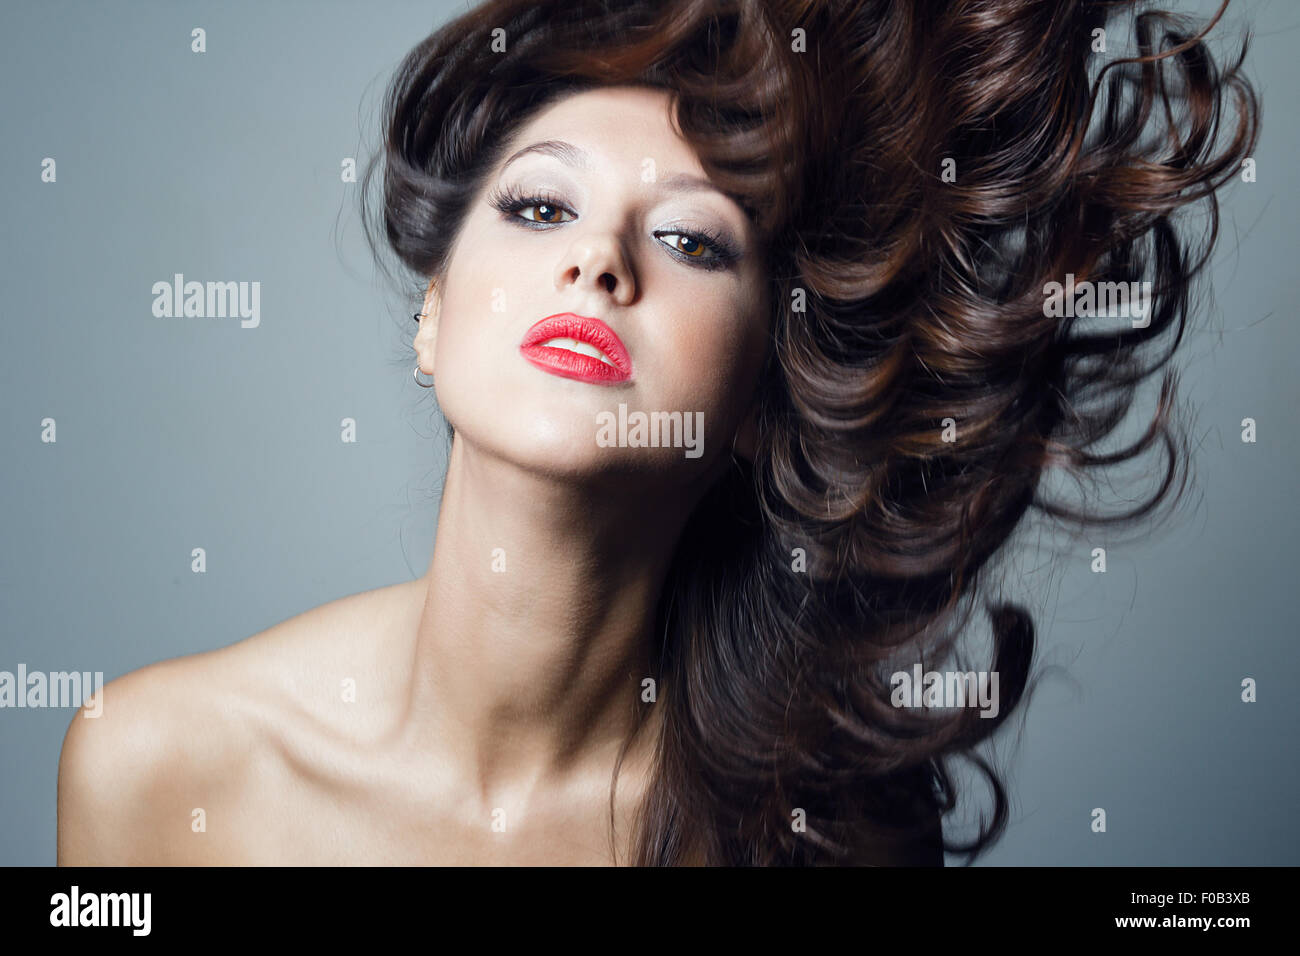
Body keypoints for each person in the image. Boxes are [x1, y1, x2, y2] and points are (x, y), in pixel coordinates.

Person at [57, 0, 1257, 866]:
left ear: (755, 400)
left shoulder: (812, 837)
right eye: (537, 205)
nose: (596, 260)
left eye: (689, 239)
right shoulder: (156, 764)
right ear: (430, 317)